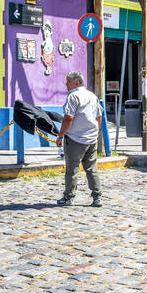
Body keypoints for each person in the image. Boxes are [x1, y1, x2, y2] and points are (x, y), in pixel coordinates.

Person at [56, 70, 103, 206]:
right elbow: (99, 116)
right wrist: (95, 131)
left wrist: (61, 135)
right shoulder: (92, 96)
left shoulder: (73, 96)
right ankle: (97, 197)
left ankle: (69, 197)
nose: (66, 84)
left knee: (72, 169)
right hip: (92, 138)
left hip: (76, 139)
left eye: (68, 81)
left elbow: (68, 118)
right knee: (92, 168)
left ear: (77, 82)